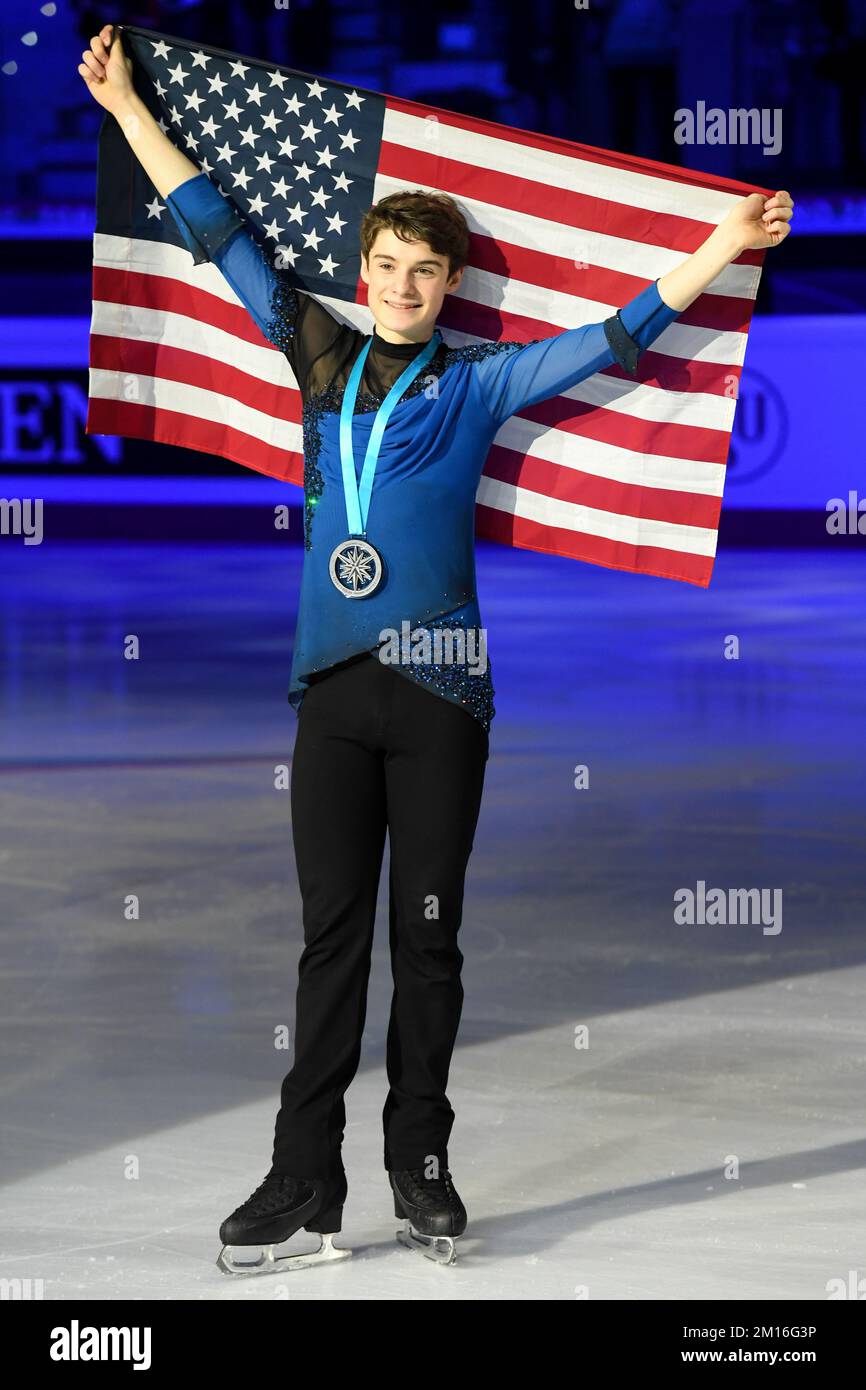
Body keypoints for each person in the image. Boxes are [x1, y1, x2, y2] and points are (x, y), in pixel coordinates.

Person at [78, 23, 794, 1271]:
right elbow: (217, 232)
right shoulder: (317, 356)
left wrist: (720, 246)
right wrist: (131, 108)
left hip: (441, 695)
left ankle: (421, 1165)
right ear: (365, 267)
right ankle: (303, 1175)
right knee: (329, 943)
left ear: (449, 285)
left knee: (427, 938)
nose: (405, 284)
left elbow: (615, 339)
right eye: (390, 263)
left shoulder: (474, 385)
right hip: (331, 697)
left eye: (425, 270)